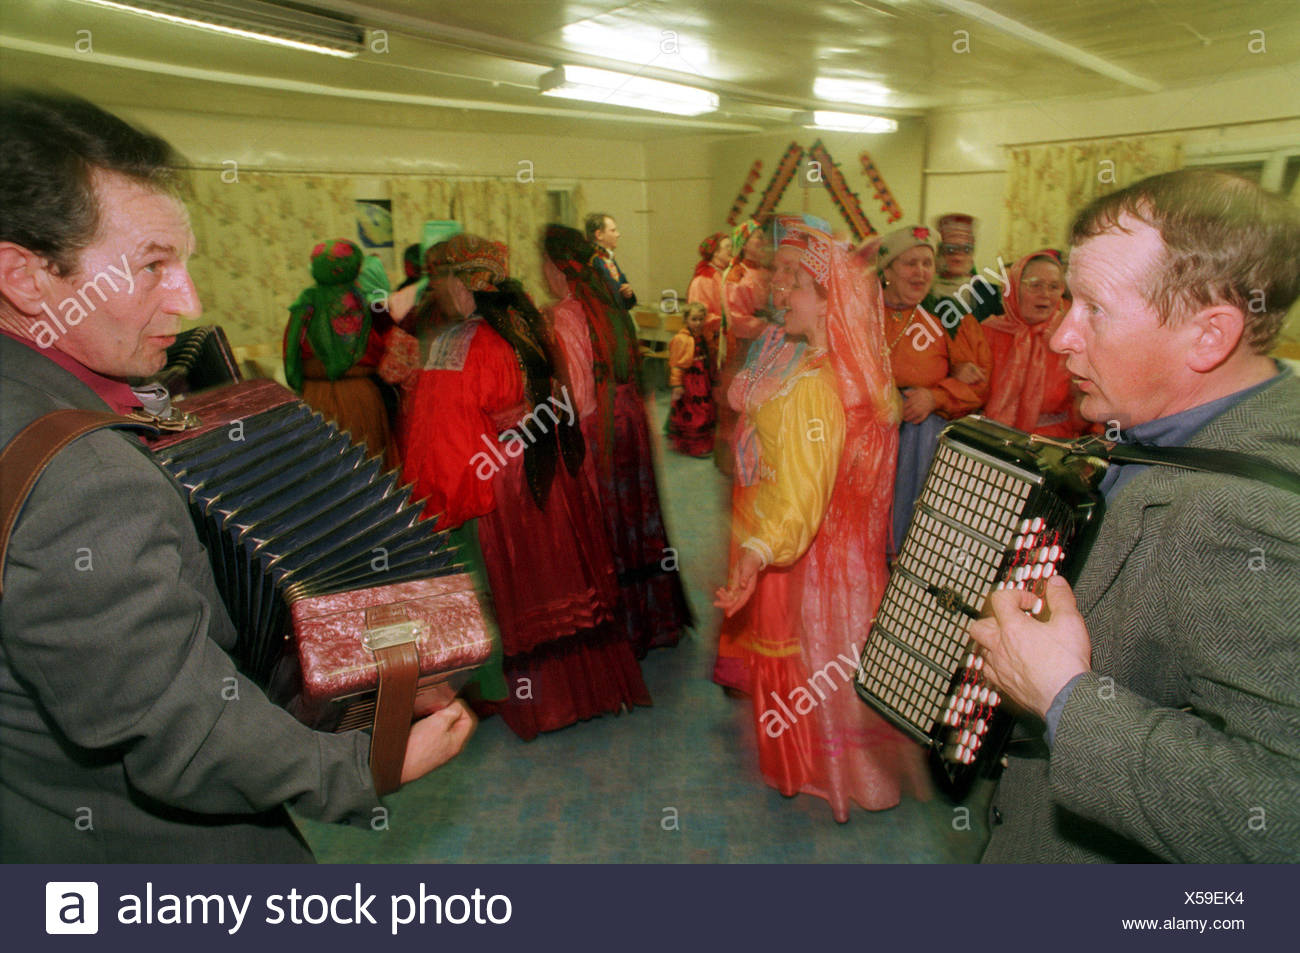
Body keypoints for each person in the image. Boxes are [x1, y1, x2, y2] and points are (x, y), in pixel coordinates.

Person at [0, 90, 474, 863]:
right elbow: (178, 730)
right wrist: (363, 763)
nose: (187, 300)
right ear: (25, 276)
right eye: (152, 265)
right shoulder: (81, 477)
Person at [969, 169, 1300, 862]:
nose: (1061, 335)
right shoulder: (1175, 428)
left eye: (1094, 308)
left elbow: (1280, 809)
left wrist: (1061, 694)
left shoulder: (1246, 516)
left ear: (1209, 337)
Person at [713, 215, 928, 821]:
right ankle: (860, 770)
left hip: (818, 556)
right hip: (849, 559)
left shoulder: (816, 384)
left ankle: (831, 770)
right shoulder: (855, 374)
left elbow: (802, 497)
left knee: (821, 657)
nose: (782, 296)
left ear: (830, 301)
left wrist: (757, 550)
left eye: (797, 287)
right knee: (847, 655)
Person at [401, 233, 651, 739]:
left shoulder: (458, 344)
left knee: (521, 588)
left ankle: (533, 698)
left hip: (502, 482)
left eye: (441, 281)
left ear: (458, 282)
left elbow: (441, 436)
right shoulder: (528, 325)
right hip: (551, 473)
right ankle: (585, 688)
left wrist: (438, 502)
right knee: (561, 578)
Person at [543, 225, 693, 659]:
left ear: (555, 268)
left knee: (608, 516)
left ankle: (622, 626)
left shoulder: (566, 314)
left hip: (601, 424)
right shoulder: (611, 306)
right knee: (638, 511)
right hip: (629, 421)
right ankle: (654, 617)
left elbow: (578, 397)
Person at [876, 223, 991, 554]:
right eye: (910, 263)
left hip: (919, 445)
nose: (921, 272)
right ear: (887, 271)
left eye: (927, 263)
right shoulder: (861, 314)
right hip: (867, 439)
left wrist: (935, 396)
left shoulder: (947, 316)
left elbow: (979, 384)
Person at [283, 238, 398, 469]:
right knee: (368, 471)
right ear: (355, 268)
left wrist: (301, 387)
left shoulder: (304, 308)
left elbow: (290, 355)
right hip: (361, 399)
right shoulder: (369, 306)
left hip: (315, 398)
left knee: (325, 473)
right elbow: (385, 351)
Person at [982, 249, 1087, 438]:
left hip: (1051, 447)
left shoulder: (1070, 337)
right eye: (1035, 285)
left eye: (1054, 286)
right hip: (990, 441)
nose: (1045, 294)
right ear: (1013, 289)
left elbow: (1086, 409)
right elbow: (968, 397)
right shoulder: (988, 332)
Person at [922, 212, 1002, 324]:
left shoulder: (992, 295)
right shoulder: (921, 291)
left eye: (966, 249)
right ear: (938, 252)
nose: (958, 257)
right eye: (950, 250)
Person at [666, 301, 716, 457]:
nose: (698, 323)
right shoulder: (681, 339)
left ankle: (702, 443)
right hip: (690, 382)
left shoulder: (703, 335)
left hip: (703, 379)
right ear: (686, 320)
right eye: (694, 319)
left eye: (701, 319)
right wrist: (676, 385)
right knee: (693, 412)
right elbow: (676, 364)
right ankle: (693, 446)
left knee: (706, 409)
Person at [585, 212, 637, 307]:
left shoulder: (607, 257)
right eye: (613, 231)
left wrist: (627, 294)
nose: (618, 234)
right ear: (599, 235)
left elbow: (621, 286)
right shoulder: (593, 260)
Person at [686, 230, 732, 331]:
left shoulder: (727, 274)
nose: (731, 250)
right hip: (711, 336)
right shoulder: (703, 279)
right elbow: (699, 315)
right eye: (727, 247)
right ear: (715, 252)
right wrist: (729, 323)